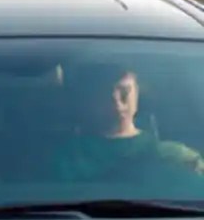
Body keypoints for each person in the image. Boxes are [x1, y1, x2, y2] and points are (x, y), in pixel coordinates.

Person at [53, 64, 204, 183]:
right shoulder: (67, 158)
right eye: (105, 93)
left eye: (124, 91)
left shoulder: (176, 157)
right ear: (88, 100)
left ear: (137, 92)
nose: (117, 101)